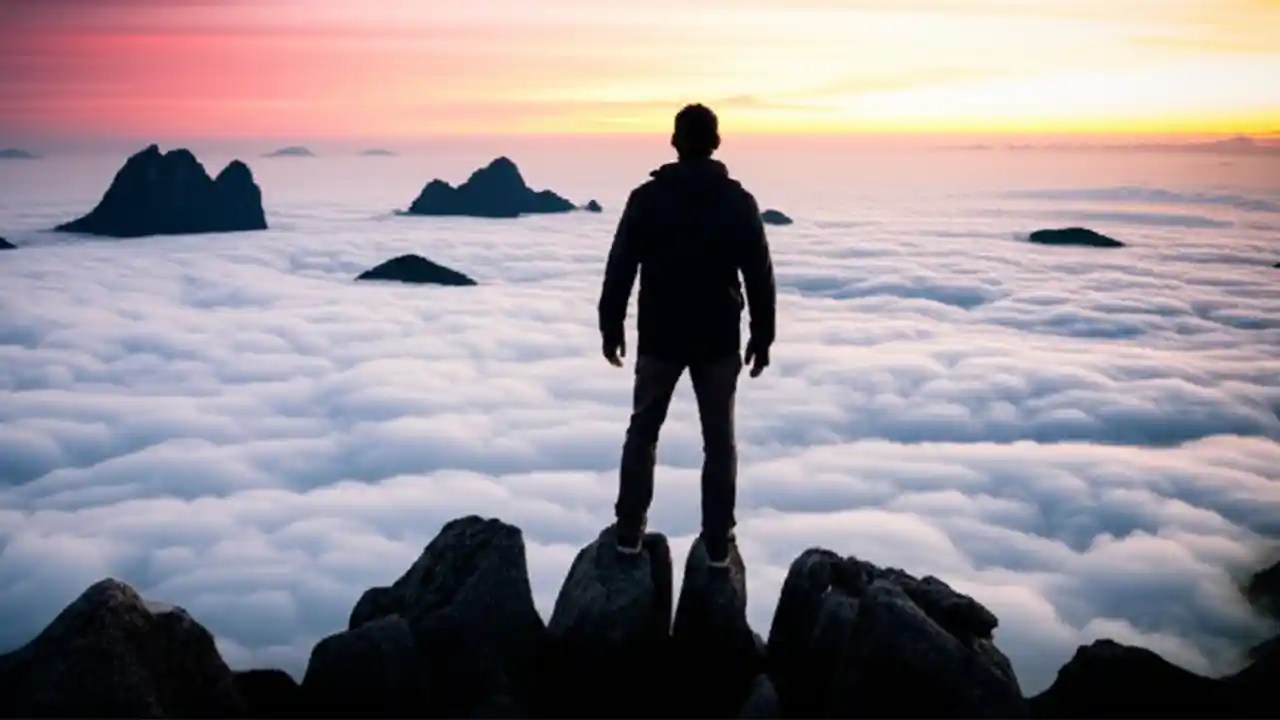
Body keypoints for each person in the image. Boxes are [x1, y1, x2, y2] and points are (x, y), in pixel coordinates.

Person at [598, 104, 776, 568]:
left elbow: (621, 266)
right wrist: (763, 333)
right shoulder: (738, 202)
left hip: (660, 335)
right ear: (716, 143)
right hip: (718, 338)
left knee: (643, 430)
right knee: (719, 441)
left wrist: (610, 323)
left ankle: (628, 531)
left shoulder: (647, 198)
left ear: (675, 142)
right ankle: (718, 540)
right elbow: (759, 273)